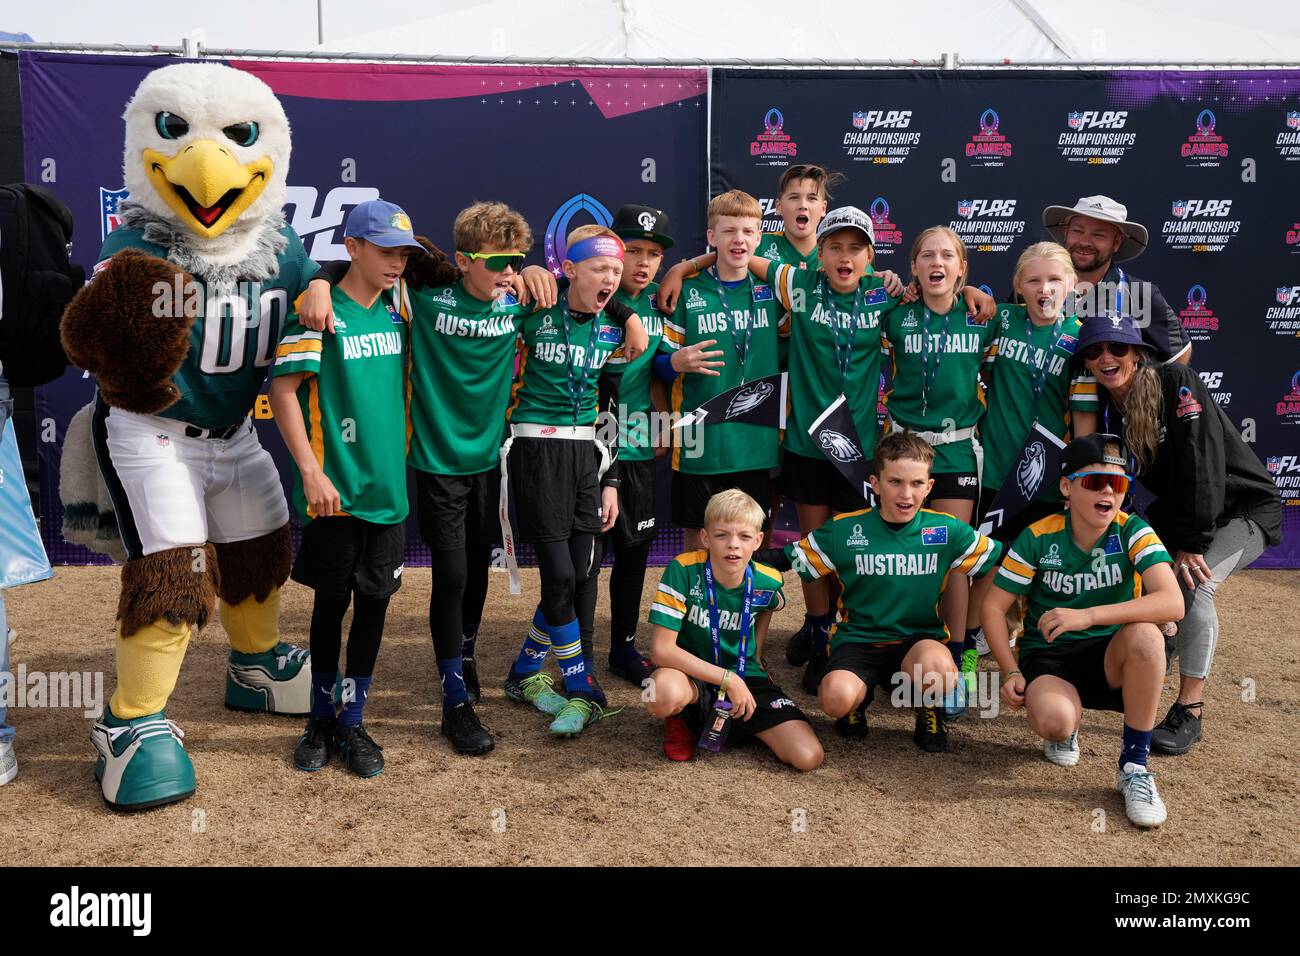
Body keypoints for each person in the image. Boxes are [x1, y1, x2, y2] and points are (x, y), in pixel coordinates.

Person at [1077, 313, 1283, 755]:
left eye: (1118, 348)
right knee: (1147, 588)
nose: (1106, 358)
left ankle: (1190, 710)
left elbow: (1202, 462)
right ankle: (1141, 672)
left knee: (1196, 584)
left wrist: (1192, 543)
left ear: (1138, 353)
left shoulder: (1175, 380)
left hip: (1243, 507)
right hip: (1181, 513)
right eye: (1094, 351)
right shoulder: (1107, 406)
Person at [269, 200, 419, 777]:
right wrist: (310, 470)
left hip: (389, 496)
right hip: (335, 492)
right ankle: (318, 720)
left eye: (402, 253)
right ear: (351, 248)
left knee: (374, 608)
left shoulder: (403, 309)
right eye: (384, 250)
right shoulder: (317, 314)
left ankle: (352, 723)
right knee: (331, 606)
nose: (396, 263)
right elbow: (284, 392)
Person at [982, 434, 1185, 827]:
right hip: (1051, 657)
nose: (1108, 490)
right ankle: (1066, 729)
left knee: (1147, 635)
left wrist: (1088, 615)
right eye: (1094, 481)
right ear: (1067, 486)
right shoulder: (1039, 535)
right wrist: (1010, 670)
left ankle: (1134, 766)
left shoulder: (1133, 530)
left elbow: (1173, 602)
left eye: (1119, 483)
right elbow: (993, 607)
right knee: (1055, 721)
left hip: (1111, 654)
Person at [777, 432, 1002, 751]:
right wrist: (729, 558)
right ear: (875, 483)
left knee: (939, 669)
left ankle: (929, 707)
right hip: (859, 639)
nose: (906, 494)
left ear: (929, 487)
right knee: (834, 699)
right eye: (895, 482)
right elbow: (787, 559)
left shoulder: (946, 529)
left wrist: (974, 627)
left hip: (918, 641)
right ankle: (857, 704)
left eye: (916, 483)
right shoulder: (845, 529)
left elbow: (1001, 560)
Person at [500, 225, 630, 737]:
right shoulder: (532, 313)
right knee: (558, 575)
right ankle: (581, 688)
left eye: (616, 272)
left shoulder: (616, 329)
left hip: (587, 457)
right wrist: (527, 274)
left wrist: (612, 477)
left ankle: (525, 672)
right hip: (536, 450)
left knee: (578, 572)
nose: (611, 279)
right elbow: (497, 294)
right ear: (569, 269)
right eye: (601, 269)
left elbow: (613, 407)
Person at [964, 242, 1098, 673]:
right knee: (984, 568)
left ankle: (1041, 660)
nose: (1045, 289)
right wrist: (969, 290)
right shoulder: (1001, 319)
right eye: (1034, 280)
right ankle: (966, 651)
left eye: (1055, 279)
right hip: (996, 477)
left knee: (1042, 572)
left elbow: (1083, 419)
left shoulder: (1082, 338)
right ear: (1019, 286)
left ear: (1073, 285)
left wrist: (1078, 479)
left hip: (1047, 480)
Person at [879, 227, 999, 668]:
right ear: (913, 267)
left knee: (951, 555)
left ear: (962, 268)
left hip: (956, 450)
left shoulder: (985, 317)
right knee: (899, 551)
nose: (937, 263)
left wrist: (974, 293)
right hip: (903, 446)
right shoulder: (895, 315)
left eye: (948, 256)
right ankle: (893, 642)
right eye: (926, 255)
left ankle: (959, 650)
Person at [645, 489, 822, 770]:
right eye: (722, 535)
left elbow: (768, 607)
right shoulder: (682, 570)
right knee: (658, 692)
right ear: (705, 538)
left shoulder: (767, 580)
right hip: (692, 675)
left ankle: (729, 720)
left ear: (758, 540)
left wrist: (757, 657)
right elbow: (661, 650)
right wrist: (727, 679)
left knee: (807, 757)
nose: (733, 545)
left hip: (745, 676)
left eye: (744, 537)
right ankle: (684, 717)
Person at [655, 190, 788, 538]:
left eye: (747, 231)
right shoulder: (686, 290)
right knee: (697, 543)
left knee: (748, 543)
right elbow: (657, 366)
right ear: (712, 237)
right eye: (728, 231)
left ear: (759, 236)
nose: (738, 239)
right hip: (699, 441)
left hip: (755, 445)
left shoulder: (773, 291)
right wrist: (675, 362)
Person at [588, 204, 676, 687]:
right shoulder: (590, 299)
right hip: (591, 449)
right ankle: (574, 652)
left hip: (640, 450)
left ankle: (622, 646)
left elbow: (659, 369)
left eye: (654, 254)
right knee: (585, 559)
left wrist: (661, 420)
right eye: (633, 251)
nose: (643, 263)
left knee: (634, 552)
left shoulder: (662, 305)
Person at [1042, 195, 1190, 365]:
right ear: (1065, 232)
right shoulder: (1039, 287)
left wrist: (1144, 389)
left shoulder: (1140, 294)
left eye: (1098, 235)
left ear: (1117, 242)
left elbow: (1179, 358)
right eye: (1078, 231)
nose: (1084, 242)